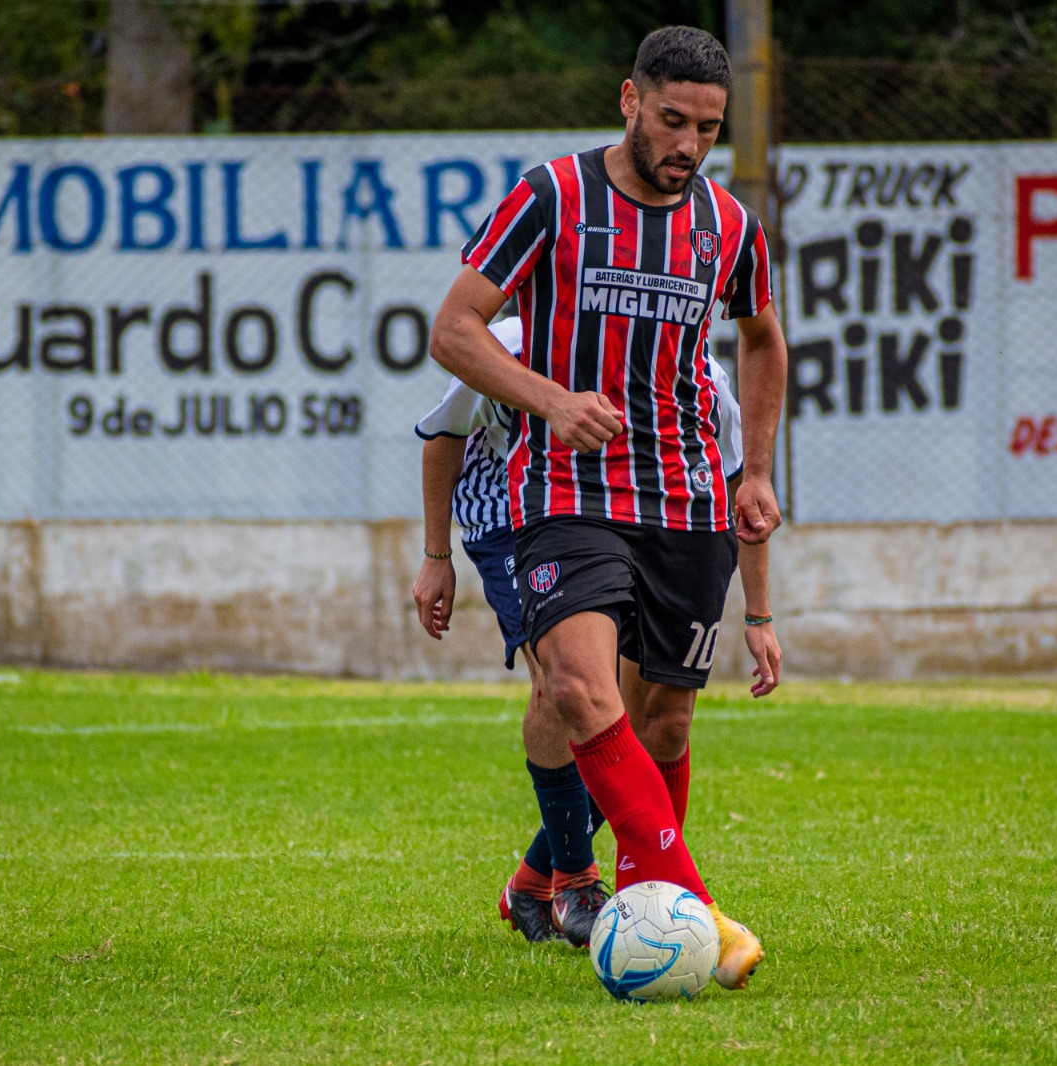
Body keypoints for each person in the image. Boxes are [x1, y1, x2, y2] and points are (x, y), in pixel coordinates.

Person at [427, 25, 788, 990]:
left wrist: (754, 469)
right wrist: (550, 400)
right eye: (673, 121)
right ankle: (692, 909)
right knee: (581, 691)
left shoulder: (727, 224)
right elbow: (453, 331)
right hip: (567, 493)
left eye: (708, 129)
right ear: (630, 101)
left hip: (687, 499)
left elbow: (762, 339)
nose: (689, 146)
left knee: (664, 722)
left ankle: (571, 886)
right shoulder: (553, 195)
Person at [411, 317, 782, 948]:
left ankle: (535, 880)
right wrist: (437, 555)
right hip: (505, 502)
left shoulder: (702, 379)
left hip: (636, 508)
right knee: (566, 681)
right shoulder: (513, 345)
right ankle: (575, 881)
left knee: (644, 719)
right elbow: (443, 438)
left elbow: (741, 493)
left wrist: (759, 615)